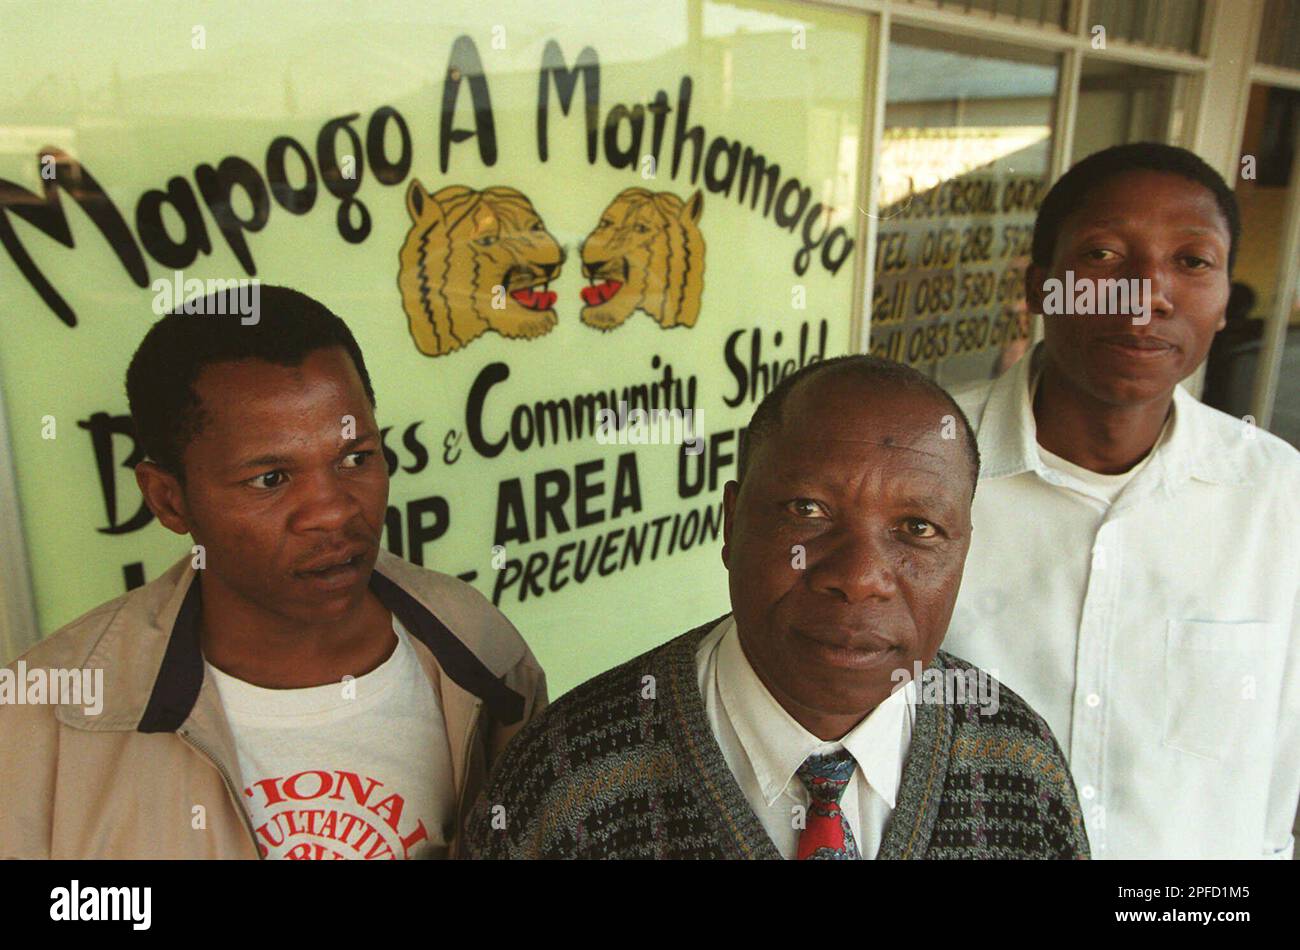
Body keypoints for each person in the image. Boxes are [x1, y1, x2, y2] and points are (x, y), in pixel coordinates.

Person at [466, 355, 1089, 859]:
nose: (860, 578)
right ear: (732, 524)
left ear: (964, 550)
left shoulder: (1017, 766)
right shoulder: (569, 777)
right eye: (807, 511)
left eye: (917, 529)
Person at [0, 285, 546, 859]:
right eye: (270, 479)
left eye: (355, 458)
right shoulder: (43, 725)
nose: (333, 511)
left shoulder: (482, 652)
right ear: (168, 500)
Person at [943, 143, 1300, 859]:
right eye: (1103, 256)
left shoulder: (1276, 495)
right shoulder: (922, 464)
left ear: (1227, 299)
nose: (1145, 295)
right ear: (1042, 286)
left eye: (1192, 262)